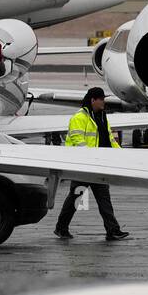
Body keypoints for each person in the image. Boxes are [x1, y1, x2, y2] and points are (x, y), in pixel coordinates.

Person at [53, 88, 130, 241]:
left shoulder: (102, 117)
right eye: (100, 99)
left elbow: (110, 139)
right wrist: (90, 157)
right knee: (74, 199)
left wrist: (121, 155)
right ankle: (61, 228)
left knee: (104, 199)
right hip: (83, 167)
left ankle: (113, 230)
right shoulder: (79, 117)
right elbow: (76, 139)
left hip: (99, 166)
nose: (103, 102)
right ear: (93, 100)